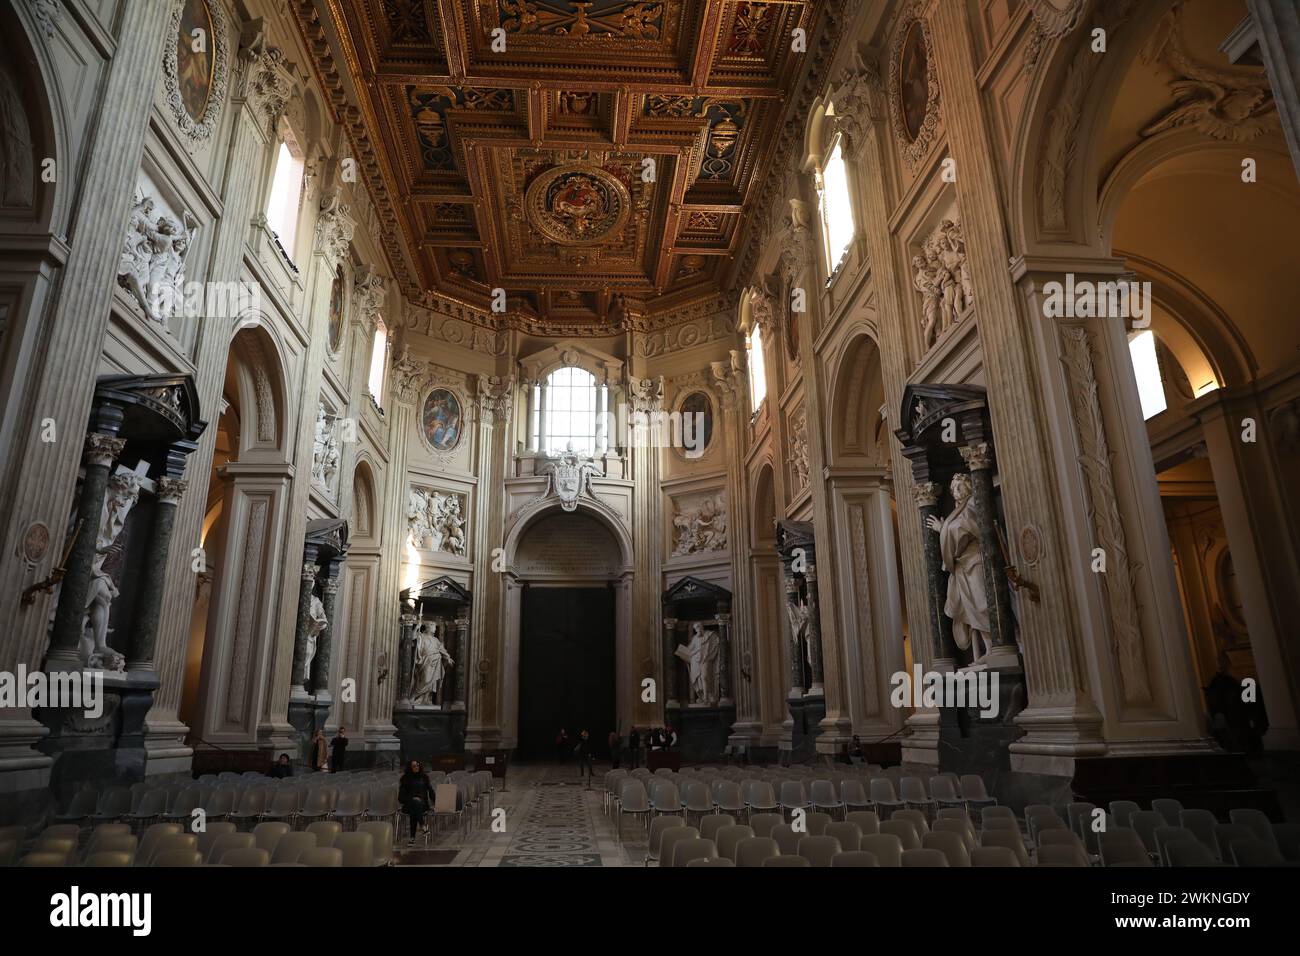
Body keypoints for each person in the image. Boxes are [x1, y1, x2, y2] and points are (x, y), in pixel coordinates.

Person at [398, 759, 435, 846]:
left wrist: (437, 803)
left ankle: (412, 838)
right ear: (410, 768)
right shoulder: (405, 779)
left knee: (414, 808)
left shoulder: (424, 777)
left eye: (417, 765)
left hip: (423, 805)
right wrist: (412, 799)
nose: (416, 767)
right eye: (414, 766)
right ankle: (422, 826)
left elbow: (431, 792)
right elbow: (400, 798)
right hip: (408, 804)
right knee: (414, 804)